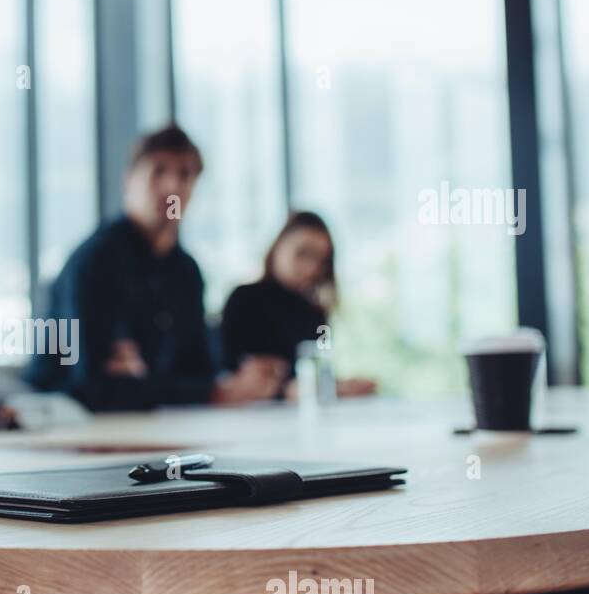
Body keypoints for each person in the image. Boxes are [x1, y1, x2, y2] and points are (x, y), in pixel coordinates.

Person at [26, 124, 285, 411]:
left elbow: (200, 371)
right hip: (66, 425)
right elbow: (92, 384)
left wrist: (153, 382)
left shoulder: (186, 271)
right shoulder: (94, 263)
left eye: (184, 175)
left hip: (158, 424)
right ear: (128, 180)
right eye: (158, 171)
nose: (172, 187)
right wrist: (193, 389)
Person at [220, 211, 376, 400]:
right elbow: (226, 372)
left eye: (321, 259)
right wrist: (286, 390)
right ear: (278, 247)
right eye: (303, 253)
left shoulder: (316, 314)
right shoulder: (243, 299)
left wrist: (338, 387)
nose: (312, 268)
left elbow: (313, 372)